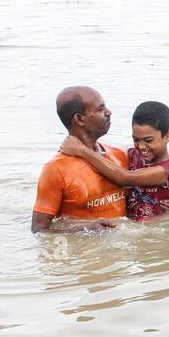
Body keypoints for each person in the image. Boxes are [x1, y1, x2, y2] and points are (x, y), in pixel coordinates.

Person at [60, 101, 169, 221]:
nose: (141, 146)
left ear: (168, 136)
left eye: (148, 141)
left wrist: (82, 150)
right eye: (136, 140)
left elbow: (126, 178)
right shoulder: (132, 155)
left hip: (156, 227)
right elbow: (108, 165)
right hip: (130, 225)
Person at [32, 86, 128, 233]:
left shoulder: (120, 155)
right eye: (100, 109)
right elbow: (39, 230)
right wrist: (83, 230)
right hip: (85, 252)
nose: (109, 112)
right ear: (79, 119)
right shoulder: (55, 169)